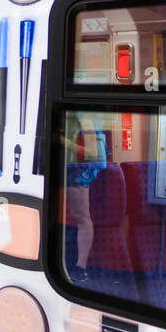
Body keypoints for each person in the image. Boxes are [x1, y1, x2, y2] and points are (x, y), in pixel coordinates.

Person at [62, 114, 108, 281]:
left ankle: (80, 267)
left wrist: (63, 141)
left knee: (82, 217)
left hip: (77, 171)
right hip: (69, 168)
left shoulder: (85, 118)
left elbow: (91, 152)